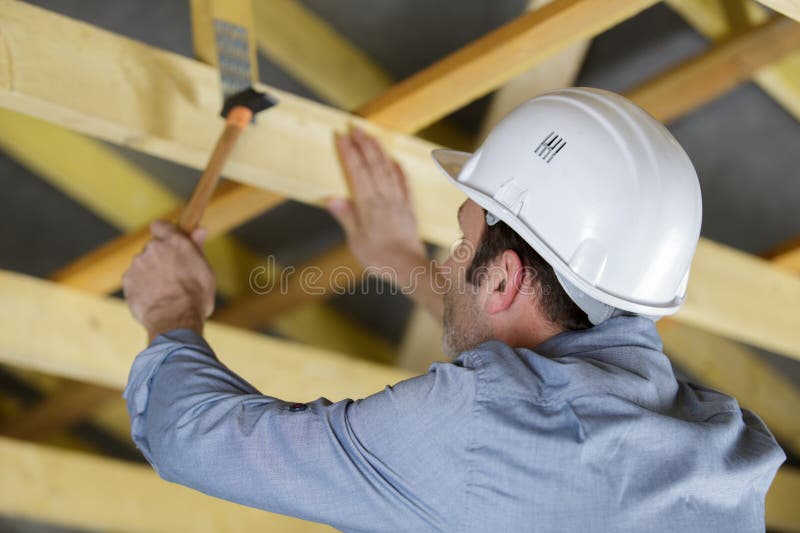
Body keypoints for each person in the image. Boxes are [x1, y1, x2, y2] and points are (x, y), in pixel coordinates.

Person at [122, 88, 785, 532]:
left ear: (502, 279)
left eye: (462, 241)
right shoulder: (720, 441)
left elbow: (198, 440)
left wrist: (173, 309)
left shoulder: (470, 429)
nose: (449, 260)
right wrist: (399, 259)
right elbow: (543, 364)